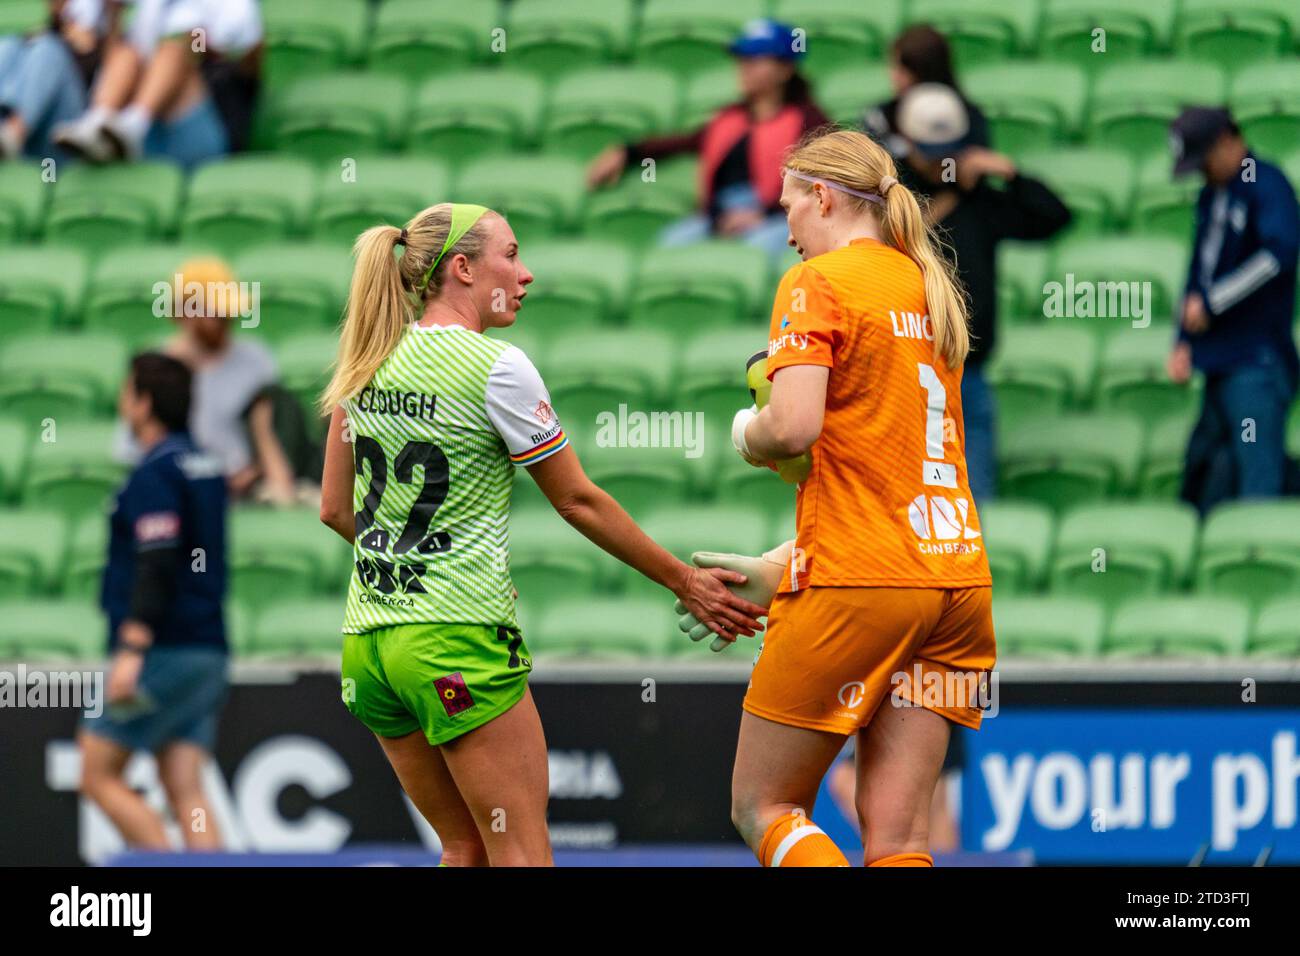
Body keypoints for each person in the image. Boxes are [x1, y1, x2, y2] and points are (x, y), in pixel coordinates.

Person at [316, 203, 765, 867]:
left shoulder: (367, 359)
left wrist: (423, 564)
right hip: (456, 639)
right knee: (521, 852)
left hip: (371, 647)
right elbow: (578, 501)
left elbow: (333, 508)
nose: (525, 275)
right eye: (511, 255)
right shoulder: (497, 367)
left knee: (463, 848)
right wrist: (685, 580)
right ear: (463, 269)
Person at [718, 128, 996, 867]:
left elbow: (794, 426)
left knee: (764, 805)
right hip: (956, 583)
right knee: (902, 838)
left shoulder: (819, 283)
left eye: (788, 209)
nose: (786, 232)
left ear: (824, 196)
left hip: (863, 580)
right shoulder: (926, 285)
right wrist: (787, 555)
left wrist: (748, 431)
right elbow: (886, 458)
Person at [892, 83, 1071, 501]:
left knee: (973, 505)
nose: (941, 163)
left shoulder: (978, 200)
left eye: (948, 152)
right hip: (906, 370)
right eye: (932, 153)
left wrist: (1011, 174)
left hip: (967, 367)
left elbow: (1052, 217)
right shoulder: (891, 196)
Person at [79, 352, 229, 851]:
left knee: (96, 772)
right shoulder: (205, 467)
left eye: (128, 392)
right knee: (185, 786)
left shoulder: (155, 473)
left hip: (163, 648)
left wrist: (132, 648)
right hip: (208, 648)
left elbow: (157, 559)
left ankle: (160, 872)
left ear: (144, 404)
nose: (123, 402)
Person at [586, 18, 830, 262]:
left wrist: (765, 214)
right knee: (670, 244)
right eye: (742, 59)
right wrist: (628, 152)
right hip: (718, 215)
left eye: (755, 59)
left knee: (754, 253)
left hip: (776, 217)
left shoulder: (808, 120)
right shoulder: (729, 118)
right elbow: (680, 143)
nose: (744, 67)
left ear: (784, 69)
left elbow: (824, 177)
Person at [1167, 106, 1300, 514]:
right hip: (1218, 362)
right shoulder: (1212, 194)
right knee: (1202, 474)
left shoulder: (1264, 182)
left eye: (1203, 160)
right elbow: (1200, 267)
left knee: (1256, 484)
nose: (1200, 172)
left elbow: (1279, 254)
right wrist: (1184, 339)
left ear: (1228, 142)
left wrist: (1212, 302)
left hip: (1256, 362)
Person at [114, 257, 302, 504]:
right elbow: (131, 449)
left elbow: (275, 435)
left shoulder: (256, 360)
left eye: (228, 312)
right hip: (177, 496)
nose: (226, 320)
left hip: (248, 495)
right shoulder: (154, 370)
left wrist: (252, 472)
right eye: (216, 313)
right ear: (185, 311)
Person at [52, 0, 261, 168]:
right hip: (129, 128)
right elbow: (90, 46)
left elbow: (249, 58)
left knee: (174, 47)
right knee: (128, 54)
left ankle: (136, 124)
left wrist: (202, 44)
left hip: (202, 121)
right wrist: (112, 15)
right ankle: (98, 121)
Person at [0, 0, 113, 160]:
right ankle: (8, 131)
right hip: (33, 133)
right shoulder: (45, 30)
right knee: (8, 46)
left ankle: (14, 130)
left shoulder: (104, 31)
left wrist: (87, 45)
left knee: (50, 50)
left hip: (71, 131)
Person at [862, 24, 990, 163]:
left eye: (902, 69)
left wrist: (952, 175)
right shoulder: (881, 118)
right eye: (894, 67)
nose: (894, 76)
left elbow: (949, 173)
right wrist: (912, 159)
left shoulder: (968, 116)